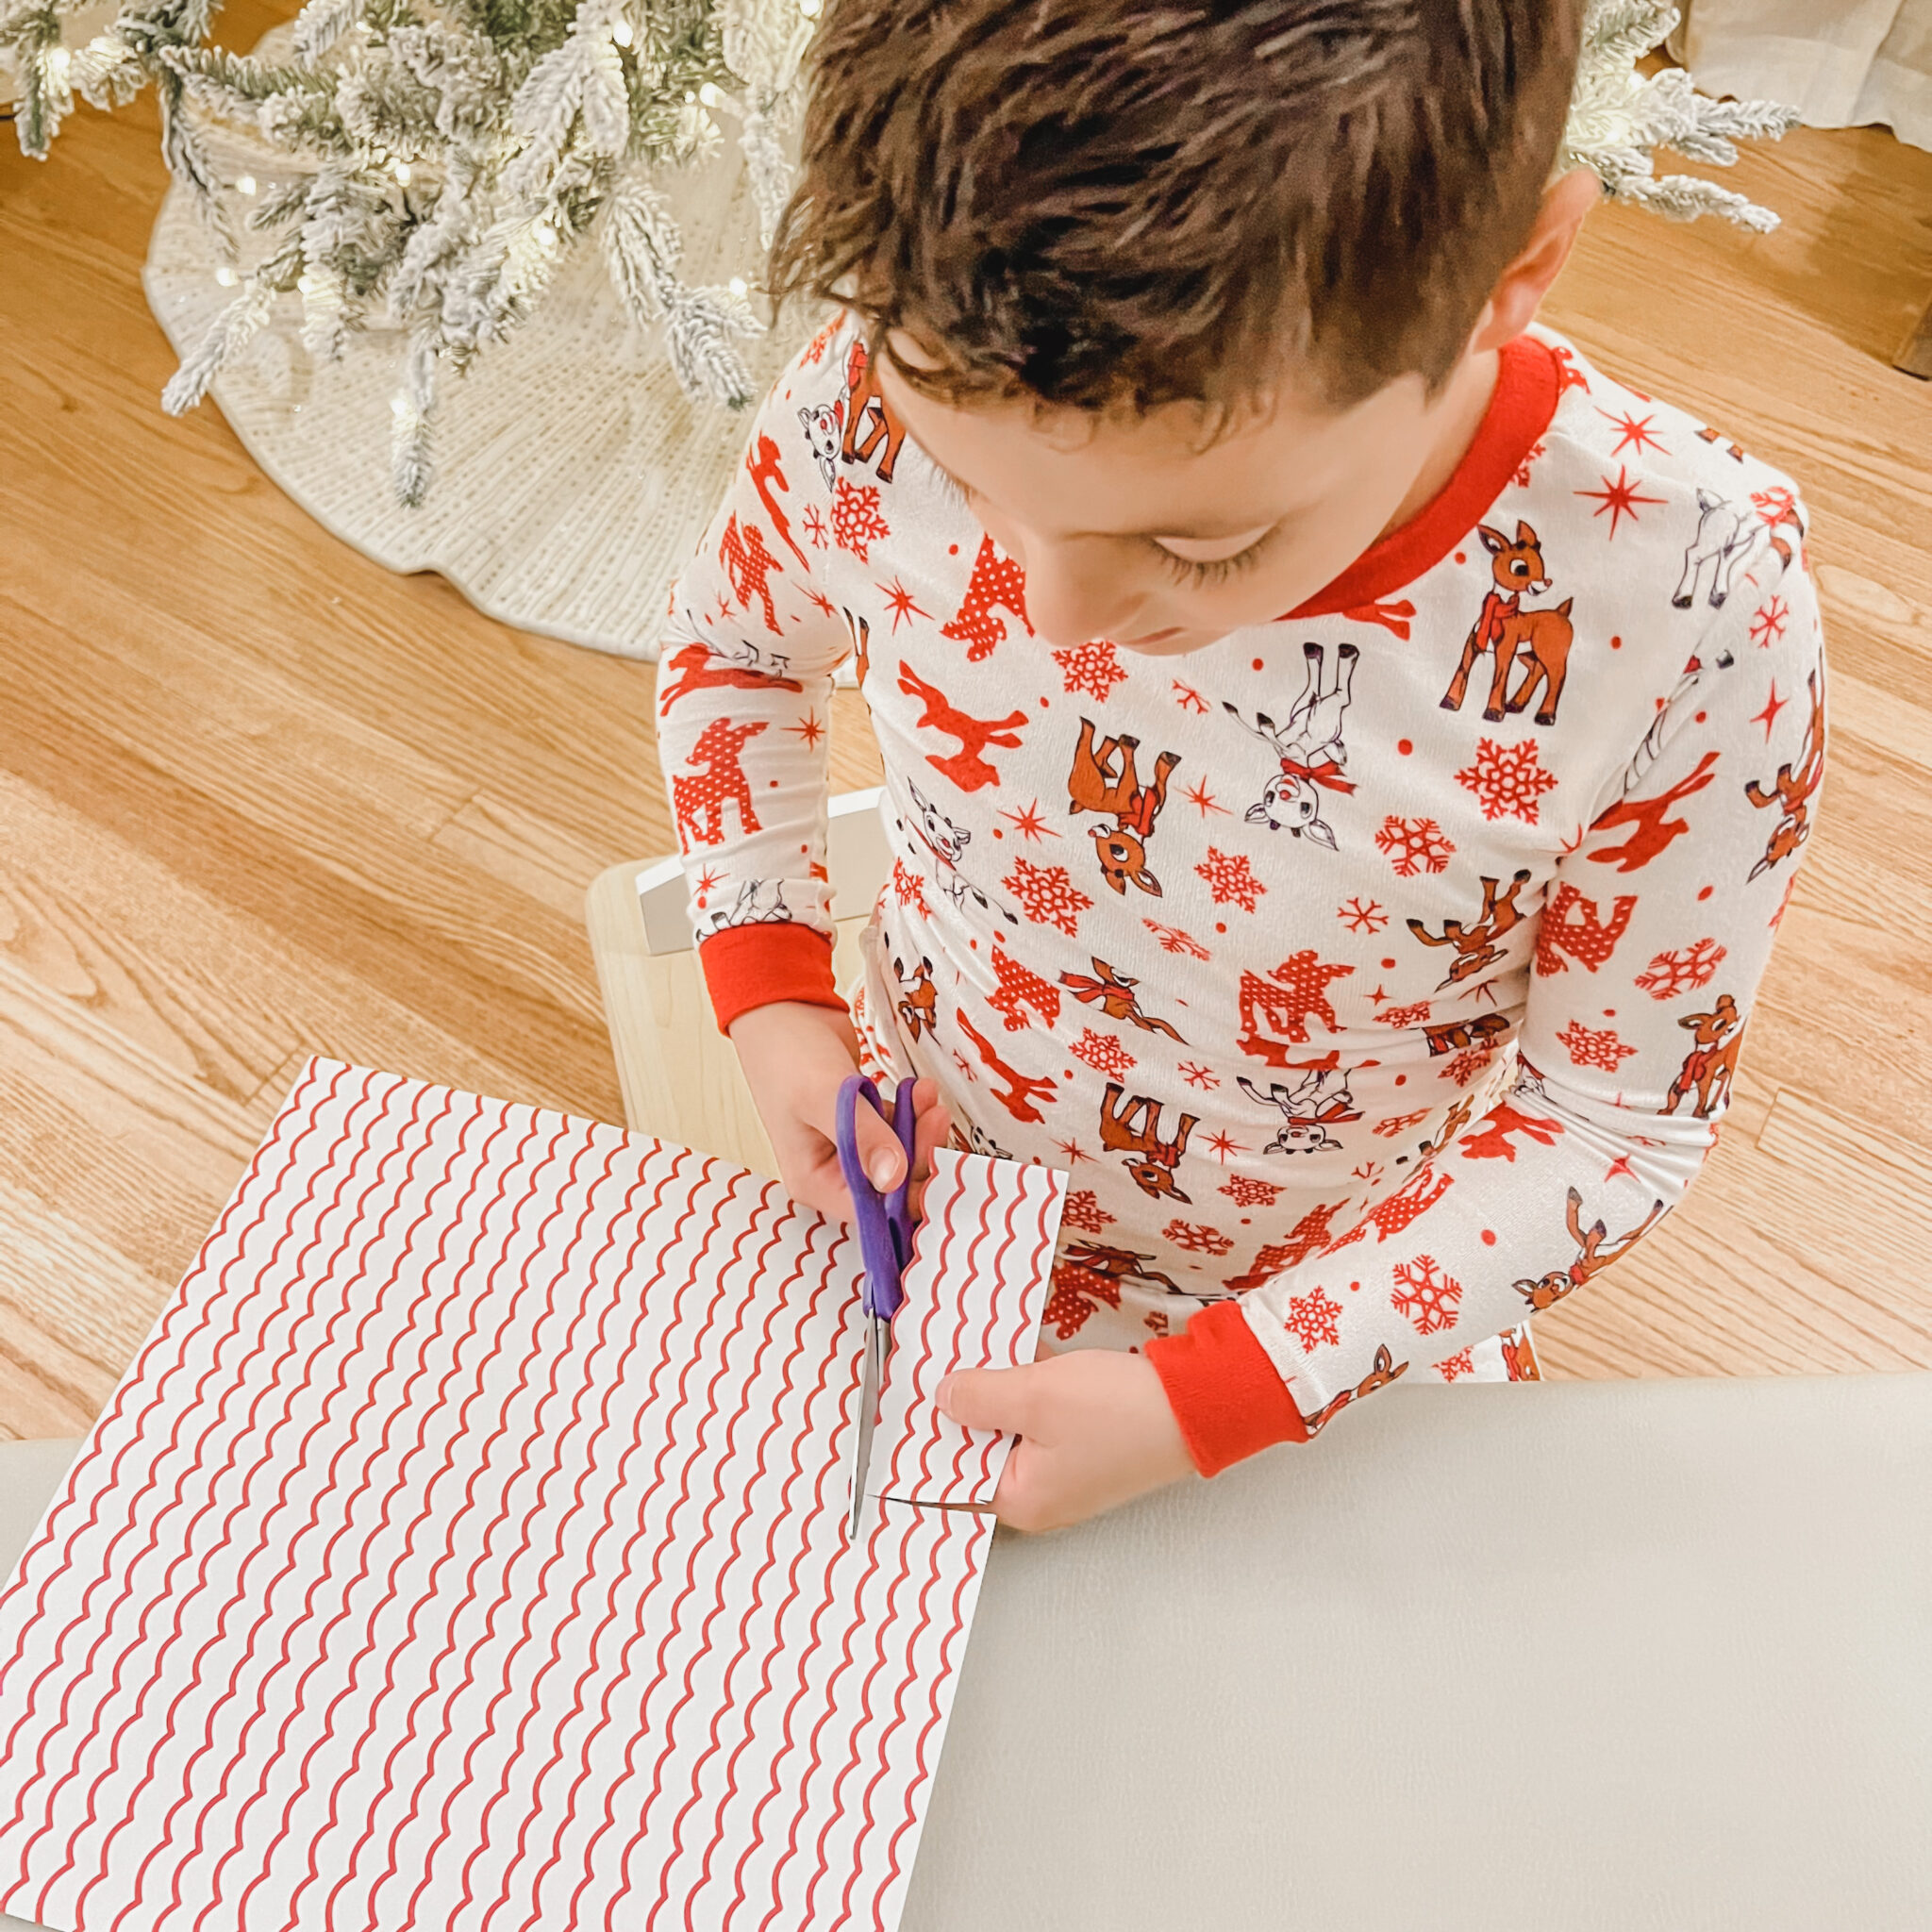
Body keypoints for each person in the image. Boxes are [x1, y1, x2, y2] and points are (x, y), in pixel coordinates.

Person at [654, 0, 1826, 1532]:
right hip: (936, 1203)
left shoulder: (1687, 612)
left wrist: (1222, 1394)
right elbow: (740, 646)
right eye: (966, 481)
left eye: (1197, 541)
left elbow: (1612, 1117)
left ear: (1510, 277)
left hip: (1331, 1323)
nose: (1061, 618)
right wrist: (775, 993)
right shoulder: (900, 352)